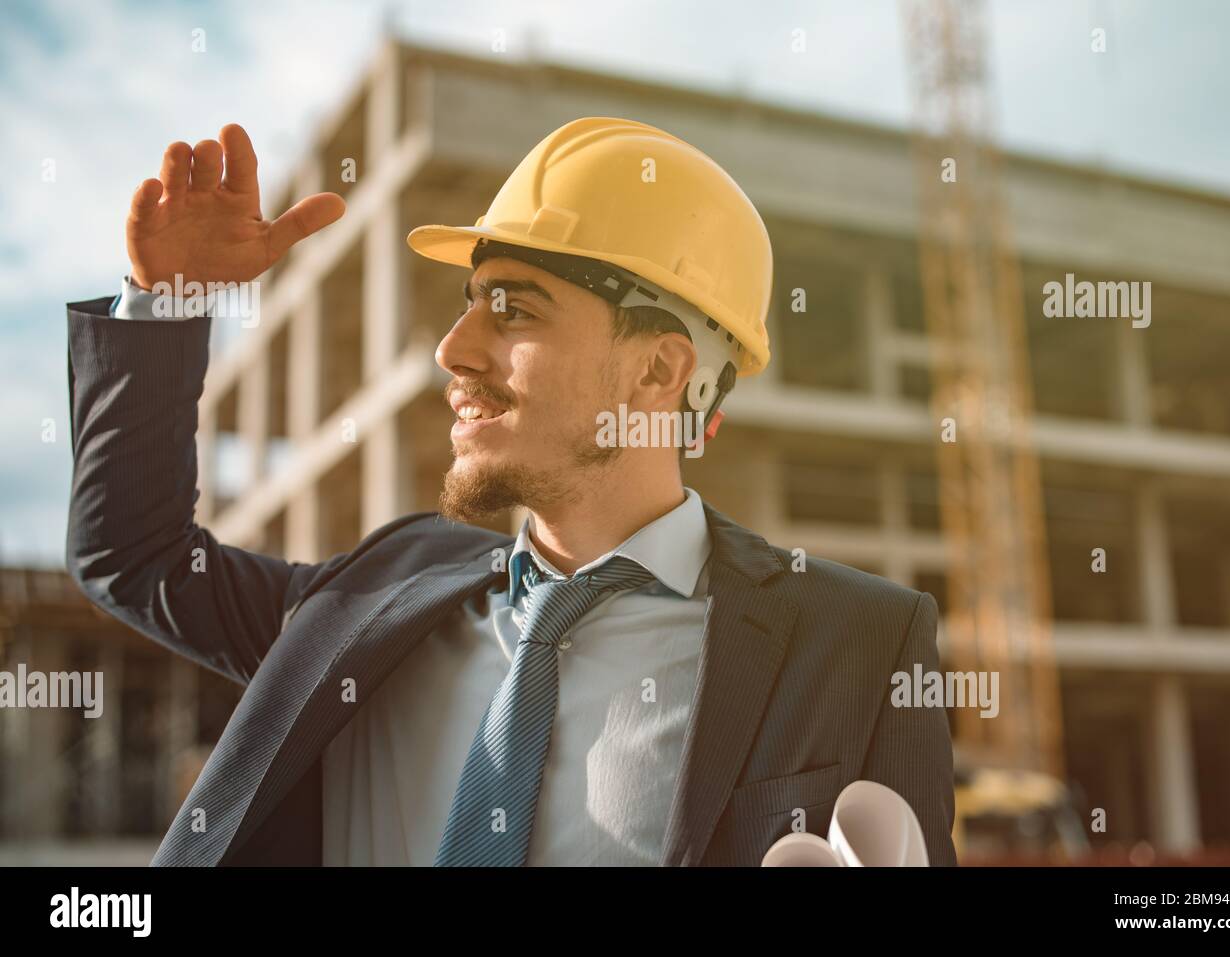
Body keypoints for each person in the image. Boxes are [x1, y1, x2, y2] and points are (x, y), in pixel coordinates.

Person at [65, 117, 957, 866]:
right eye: (468, 302)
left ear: (656, 369)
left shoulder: (859, 643)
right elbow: (134, 556)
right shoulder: (380, 588)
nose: (452, 350)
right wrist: (168, 302)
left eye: (514, 308)